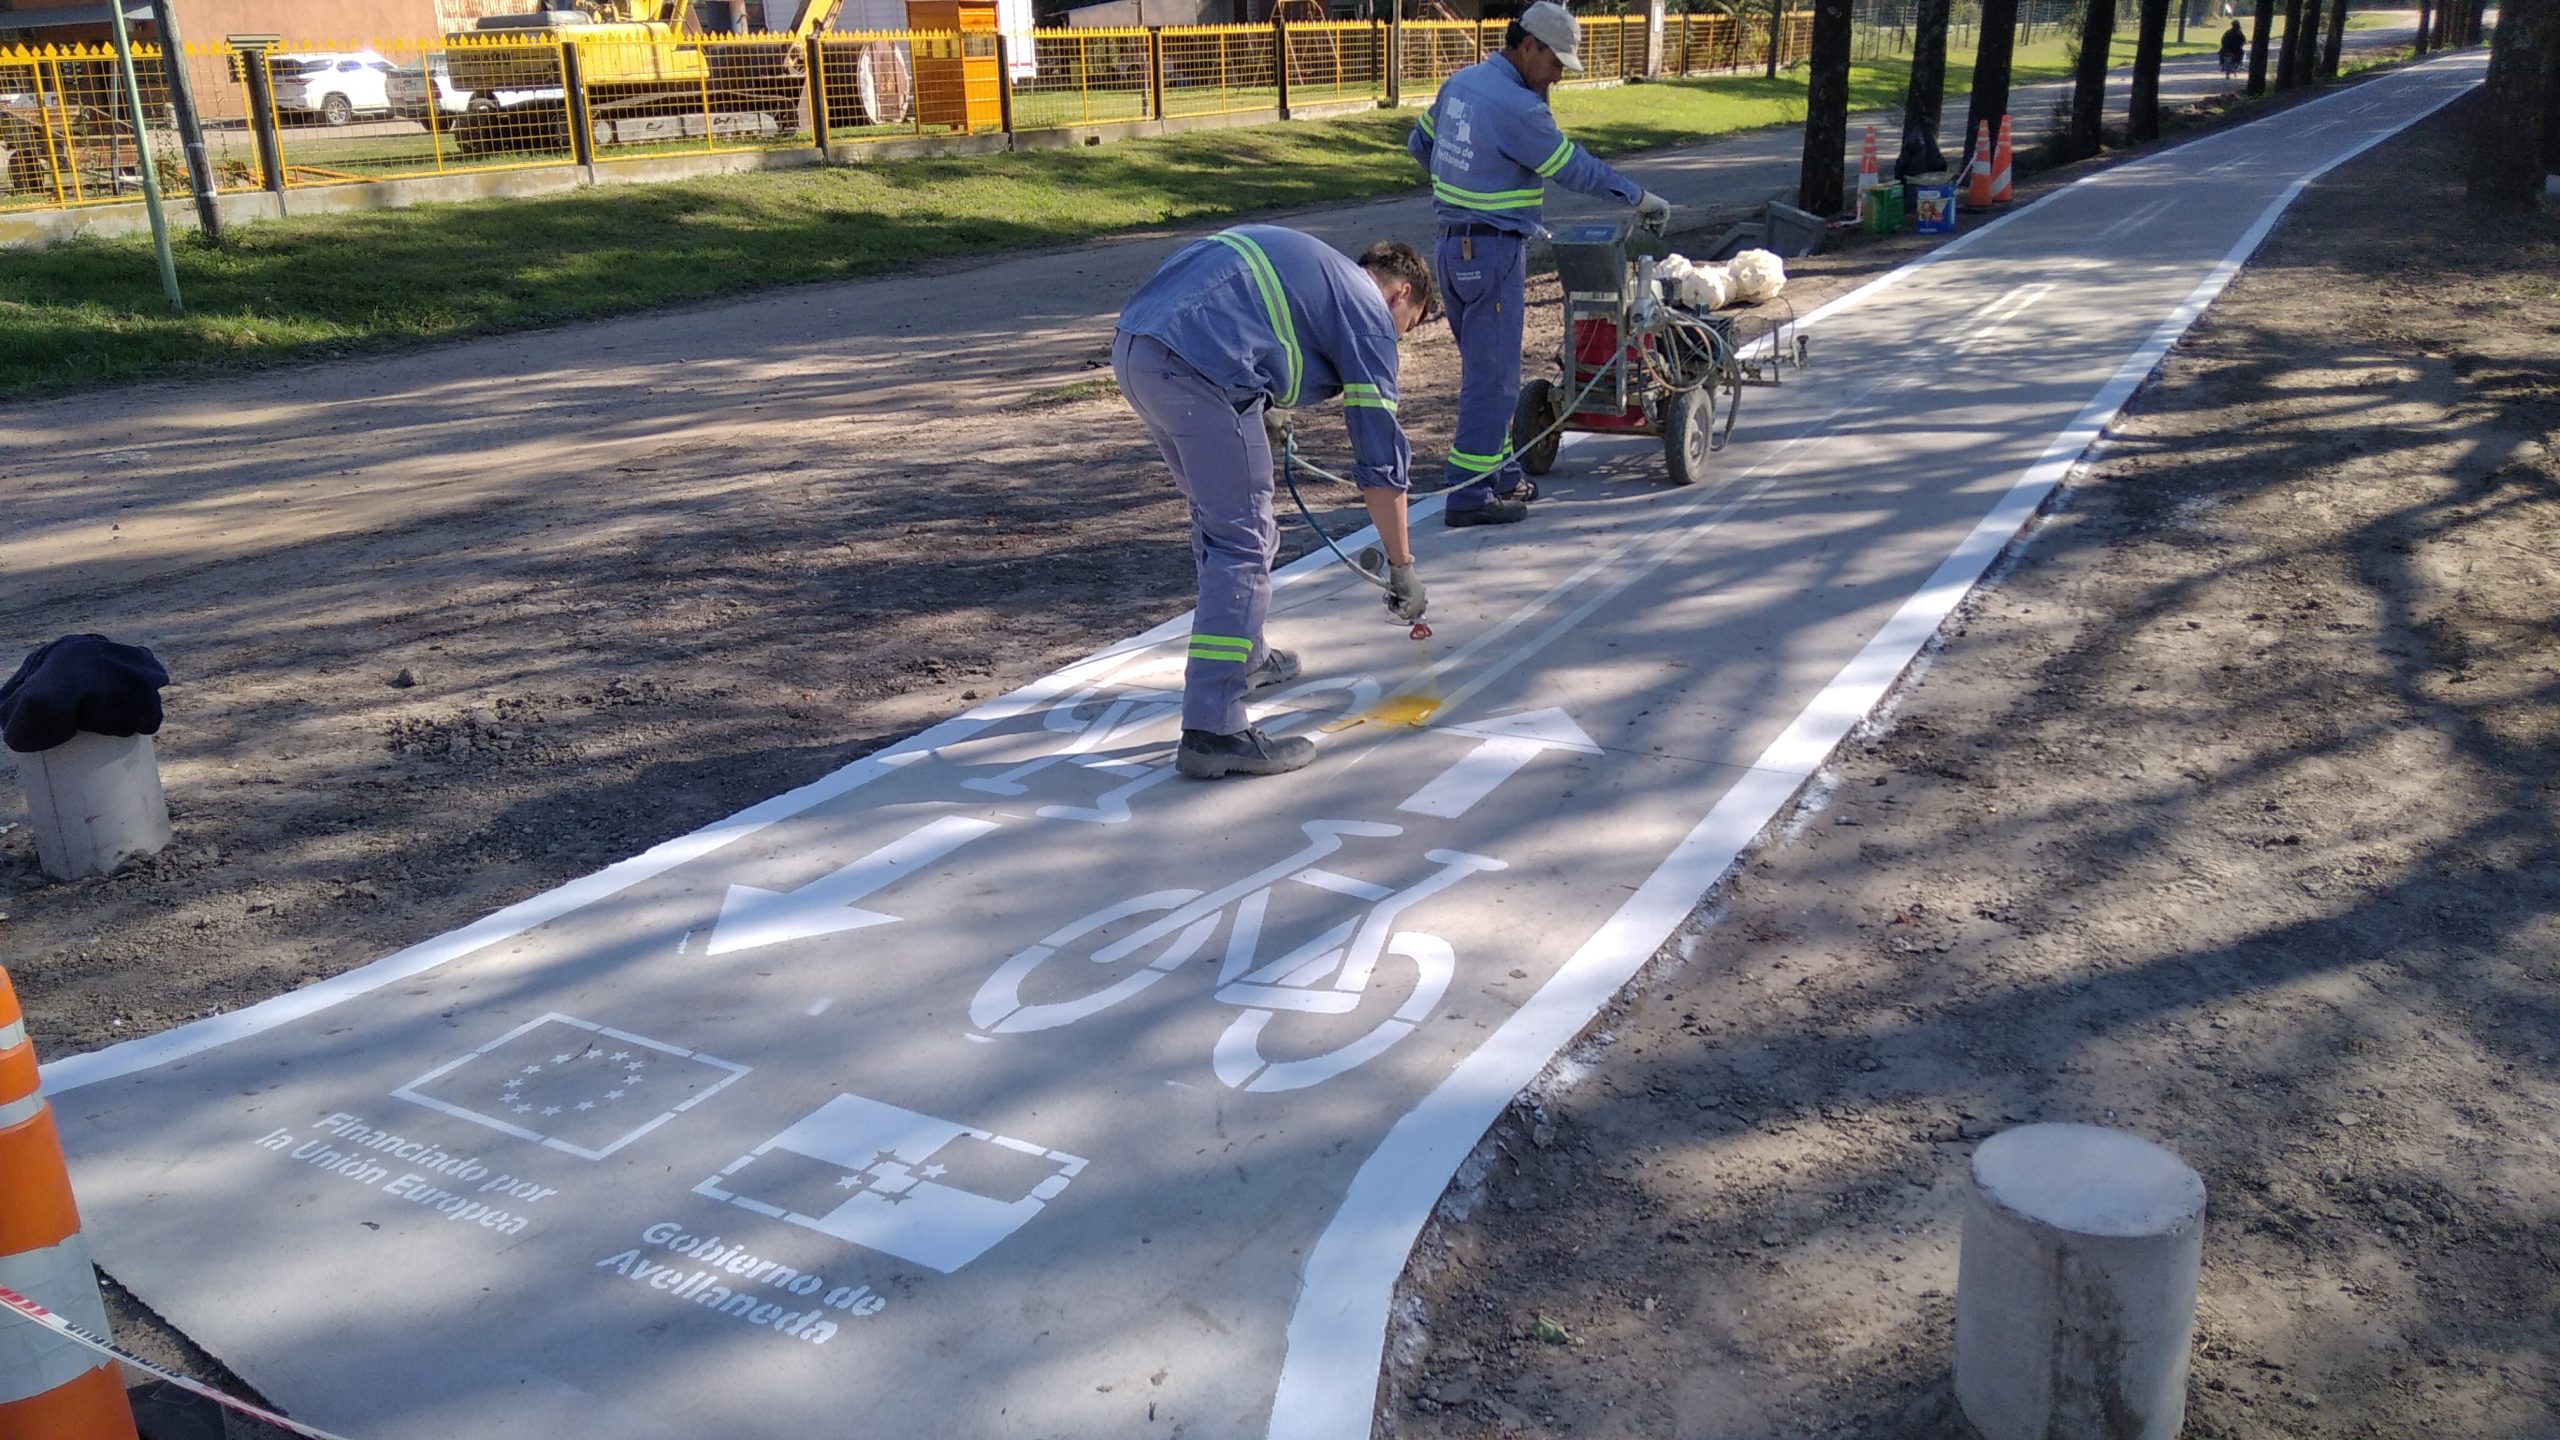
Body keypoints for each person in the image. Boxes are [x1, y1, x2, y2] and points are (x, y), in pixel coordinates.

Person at [1114, 226, 1439, 780]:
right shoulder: (1369, 313)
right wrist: (1401, 566)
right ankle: (1214, 729)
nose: (1398, 340)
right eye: (1408, 327)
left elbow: (1253, 311)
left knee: (1221, 524)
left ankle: (1245, 658)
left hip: (1139, 349)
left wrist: (1262, 394)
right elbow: (1380, 460)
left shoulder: (1325, 275)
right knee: (1243, 543)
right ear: (1401, 294)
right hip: (1198, 371)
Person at [1407, 0, 1669, 528]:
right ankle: (1469, 495)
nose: (1557, 77)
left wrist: (1463, 188)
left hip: (1452, 249)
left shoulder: (1461, 83)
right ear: (1527, 46)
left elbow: (1420, 143)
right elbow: (1573, 168)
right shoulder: (1519, 107)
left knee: (1484, 370)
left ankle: (1500, 473)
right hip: (1493, 251)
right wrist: (1638, 197)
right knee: (1494, 381)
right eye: (1554, 63)